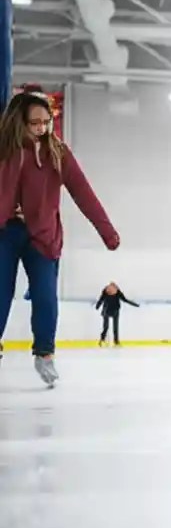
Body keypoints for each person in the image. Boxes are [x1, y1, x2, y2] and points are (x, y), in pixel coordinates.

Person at [0, 89, 120, 385]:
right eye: (35, 123)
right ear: (20, 122)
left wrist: (107, 232)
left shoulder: (58, 152)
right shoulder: (5, 149)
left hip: (43, 235)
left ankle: (44, 354)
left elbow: (83, 193)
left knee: (45, 296)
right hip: (5, 232)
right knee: (1, 293)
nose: (42, 128)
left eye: (46, 122)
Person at [95, 282, 139, 347]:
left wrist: (135, 304)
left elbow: (125, 300)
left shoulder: (117, 292)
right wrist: (97, 306)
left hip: (115, 310)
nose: (110, 290)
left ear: (115, 288)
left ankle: (115, 342)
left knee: (114, 327)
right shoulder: (105, 292)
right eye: (109, 288)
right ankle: (103, 340)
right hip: (107, 310)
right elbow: (101, 300)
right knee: (106, 327)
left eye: (112, 288)